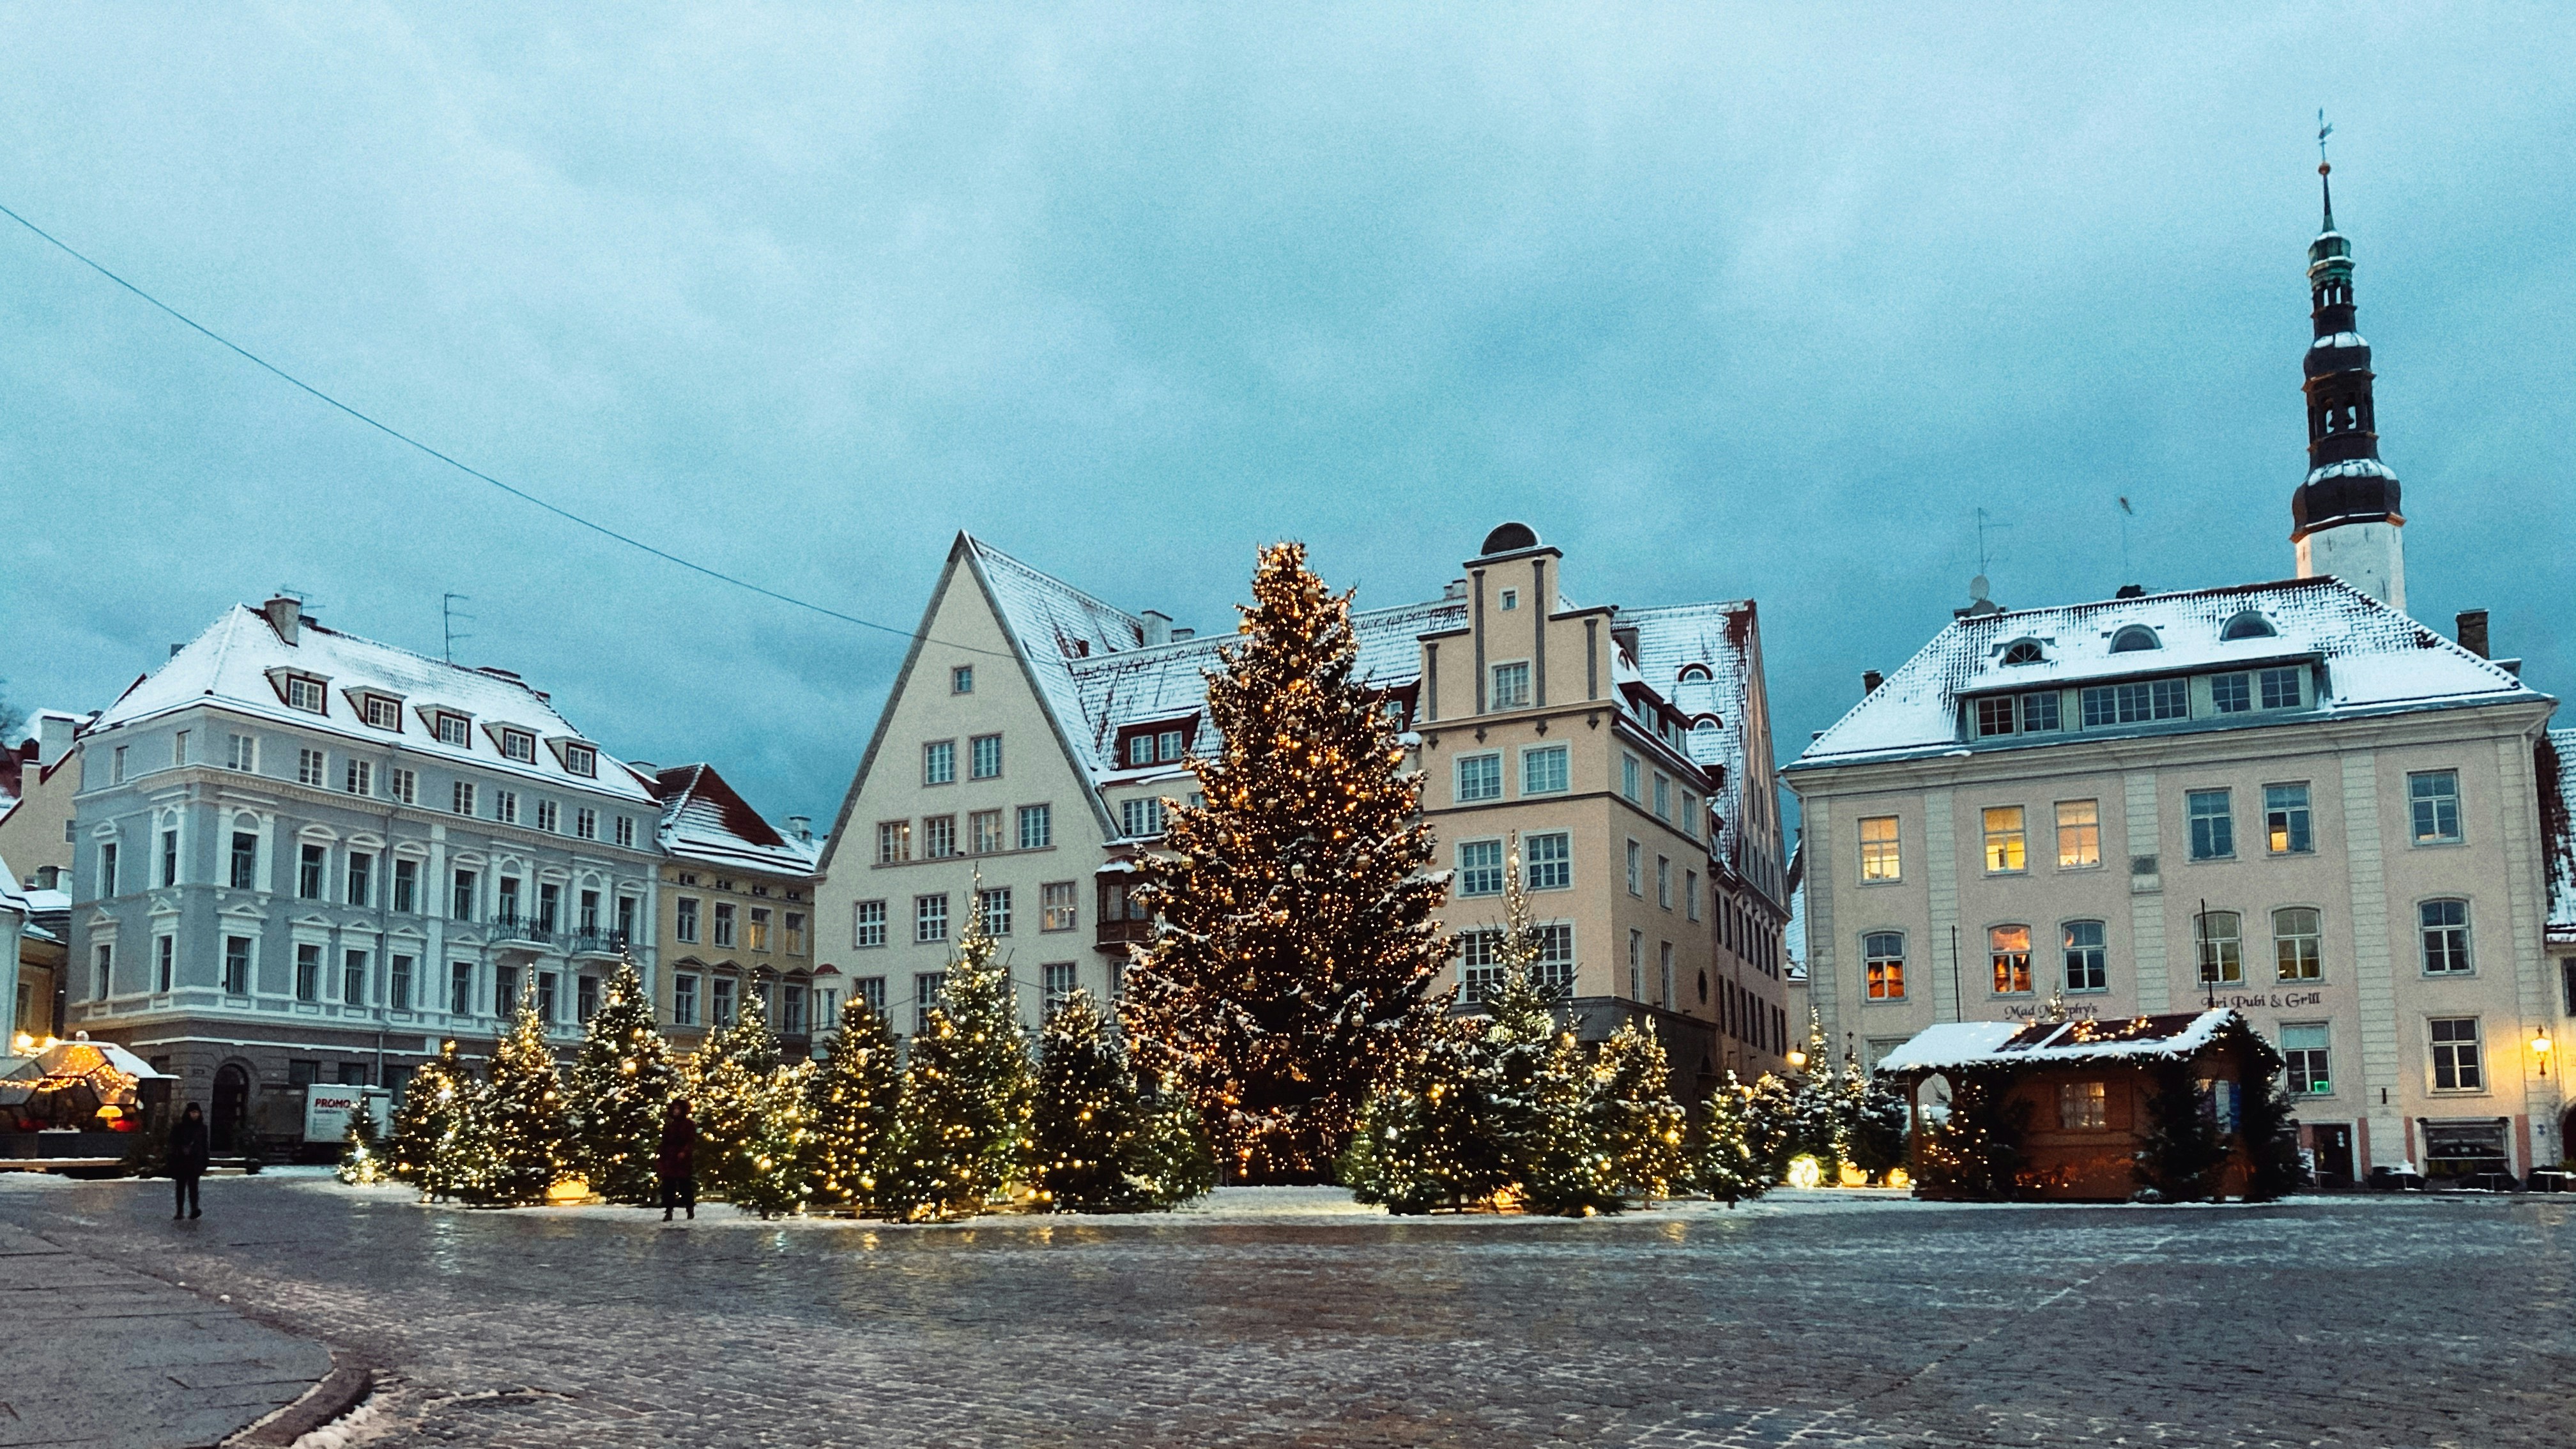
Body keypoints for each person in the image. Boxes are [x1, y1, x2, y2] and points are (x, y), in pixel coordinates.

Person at [167, 1103, 210, 1220]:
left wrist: (205, 1161)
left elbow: (204, 1146)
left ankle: (194, 1209)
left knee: (193, 1187)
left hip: (195, 1162)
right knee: (180, 1187)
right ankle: (180, 1211)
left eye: (196, 1112)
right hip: (181, 1161)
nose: (194, 1115)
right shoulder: (179, 1128)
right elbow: (172, 1144)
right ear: (188, 1113)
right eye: (192, 1112)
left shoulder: (202, 1128)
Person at [657, 1098, 696, 1221]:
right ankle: (669, 1211)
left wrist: (684, 1152)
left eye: (678, 1109)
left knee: (685, 1185)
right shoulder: (670, 1125)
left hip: (682, 1160)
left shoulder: (689, 1124)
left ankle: (690, 1208)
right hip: (669, 1158)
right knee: (669, 1186)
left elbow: (690, 1141)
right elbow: (664, 1142)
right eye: (674, 1109)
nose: (676, 1111)